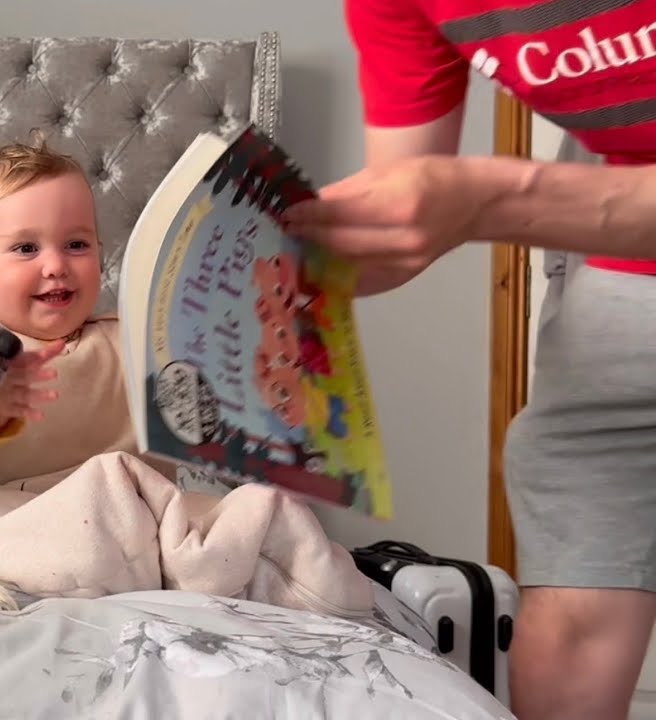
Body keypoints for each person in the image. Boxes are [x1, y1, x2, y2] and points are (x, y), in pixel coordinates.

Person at [280, 2, 656, 718]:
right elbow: (406, 209)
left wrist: (493, 201)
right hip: (621, 210)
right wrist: (289, 271)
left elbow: (467, 204)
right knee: (577, 484)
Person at [0, 138, 374, 615]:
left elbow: (210, 415)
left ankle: (306, 585)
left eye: (77, 244)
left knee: (246, 512)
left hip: (140, 517)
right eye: (26, 247)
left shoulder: (138, 341)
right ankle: (120, 571)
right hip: (9, 516)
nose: (56, 265)